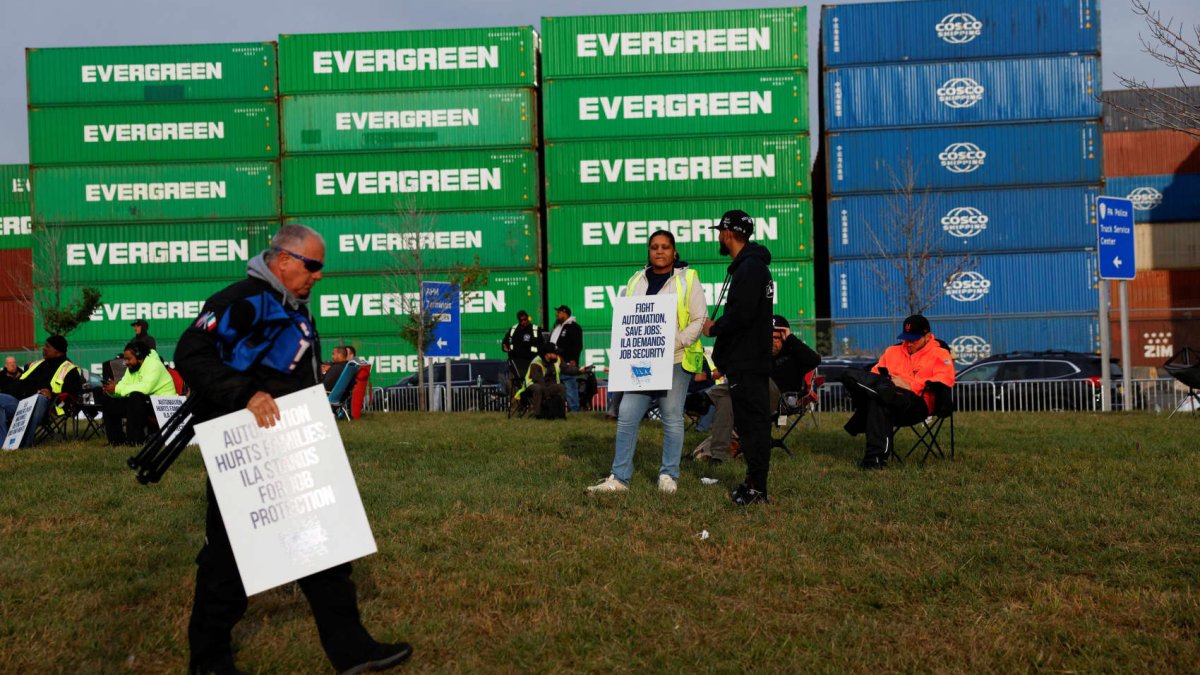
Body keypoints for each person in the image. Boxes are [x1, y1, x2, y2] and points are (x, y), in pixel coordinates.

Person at [173, 224, 411, 675]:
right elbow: (191, 352)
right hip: (248, 454)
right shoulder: (241, 300)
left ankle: (352, 650)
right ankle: (209, 662)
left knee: (324, 547)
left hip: (292, 446)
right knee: (228, 561)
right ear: (283, 260)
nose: (319, 275)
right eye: (313, 265)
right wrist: (244, 394)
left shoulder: (292, 307)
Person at [588, 230, 707, 494]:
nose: (660, 251)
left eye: (665, 246)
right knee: (627, 415)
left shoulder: (688, 279)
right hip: (642, 361)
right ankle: (620, 478)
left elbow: (700, 319)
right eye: (654, 247)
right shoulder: (635, 280)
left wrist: (676, 342)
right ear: (649, 251)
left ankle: (668, 475)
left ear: (674, 252)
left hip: (675, 359)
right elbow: (628, 321)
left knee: (672, 417)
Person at [702, 209, 775, 506]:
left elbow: (741, 315)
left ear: (728, 234)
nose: (719, 238)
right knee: (749, 426)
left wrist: (714, 328)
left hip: (748, 362)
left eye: (720, 232)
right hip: (748, 360)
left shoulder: (750, 268)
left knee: (753, 427)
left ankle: (757, 489)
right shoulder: (751, 266)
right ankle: (753, 484)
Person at [842, 314, 955, 470]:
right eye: (906, 339)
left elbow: (945, 379)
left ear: (928, 336)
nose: (908, 343)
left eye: (914, 339)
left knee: (878, 398)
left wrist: (909, 385)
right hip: (890, 399)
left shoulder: (940, 354)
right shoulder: (892, 351)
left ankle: (872, 393)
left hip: (919, 403)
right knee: (877, 394)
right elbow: (875, 374)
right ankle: (874, 461)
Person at [8, 335, 84, 446]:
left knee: (40, 398)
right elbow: (20, 383)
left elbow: (73, 395)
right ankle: (4, 443)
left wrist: (52, 394)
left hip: (49, 407)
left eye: (47, 346)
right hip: (20, 401)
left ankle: (24, 443)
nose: (44, 348)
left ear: (57, 351)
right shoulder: (36, 364)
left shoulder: (69, 370)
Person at [99, 341, 177, 446]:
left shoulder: (154, 365)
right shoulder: (132, 368)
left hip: (164, 405)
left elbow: (145, 388)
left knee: (135, 397)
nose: (126, 362)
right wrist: (111, 391)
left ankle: (135, 441)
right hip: (147, 402)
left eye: (128, 359)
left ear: (139, 356)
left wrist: (116, 388)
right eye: (125, 359)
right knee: (108, 401)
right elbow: (122, 386)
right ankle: (116, 441)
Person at [767, 315, 822, 413]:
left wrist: (790, 338)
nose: (771, 342)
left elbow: (815, 360)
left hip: (784, 400)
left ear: (784, 337)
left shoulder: (794, 354)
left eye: (776, 338)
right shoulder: (761, 356)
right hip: (759, 399)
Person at [549, 305, 583, 412]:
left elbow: (577, 345)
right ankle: (557, 409)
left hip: (568, 362)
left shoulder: (573, 327)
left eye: (559, 312)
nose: (557, 314)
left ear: (565, 313)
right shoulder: (557, 326)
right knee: (556, 386)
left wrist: (574, 359)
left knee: (570, 386)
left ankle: (574, 409)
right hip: (555, 363)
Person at [517, 342, 566, 418]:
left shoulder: (554, 360)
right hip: (532, 385)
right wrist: (548, 397)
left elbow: (566, 369)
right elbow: (539, 381)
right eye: (555, 353)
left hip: (546, 385)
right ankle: (538, 414)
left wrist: (580, 370)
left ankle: (560, 413)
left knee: (560, 387)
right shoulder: (536, 363)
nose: (557, 355)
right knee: (538, 388)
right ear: (548, 354)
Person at [500, 310, 540, 382]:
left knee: (531, 382)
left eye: (525, 319)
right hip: (515, 362)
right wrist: (504, 347)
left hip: (531, 362)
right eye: (521, 320)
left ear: (528, 318)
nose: (523, 322)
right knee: (514, 382)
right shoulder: (513, 329)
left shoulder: (535, 329)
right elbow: (505, 341)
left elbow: (541, 346)